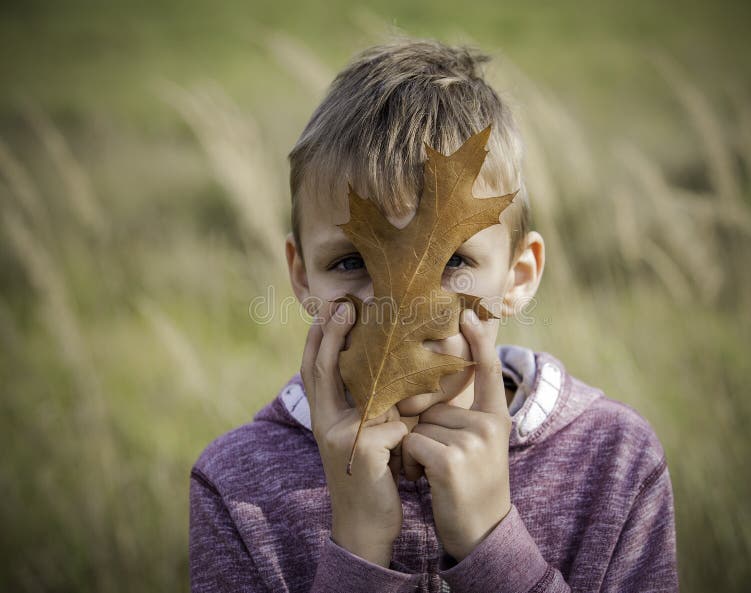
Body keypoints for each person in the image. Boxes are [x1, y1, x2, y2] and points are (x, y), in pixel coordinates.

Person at [189, 38, 679, 593]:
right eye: (351, 261)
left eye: (453, 262)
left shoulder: (613, 465)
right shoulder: (237, 487)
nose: (401, 307)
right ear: (302, 277)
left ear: (518, 277)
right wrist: (357, 549)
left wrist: (492, 545)